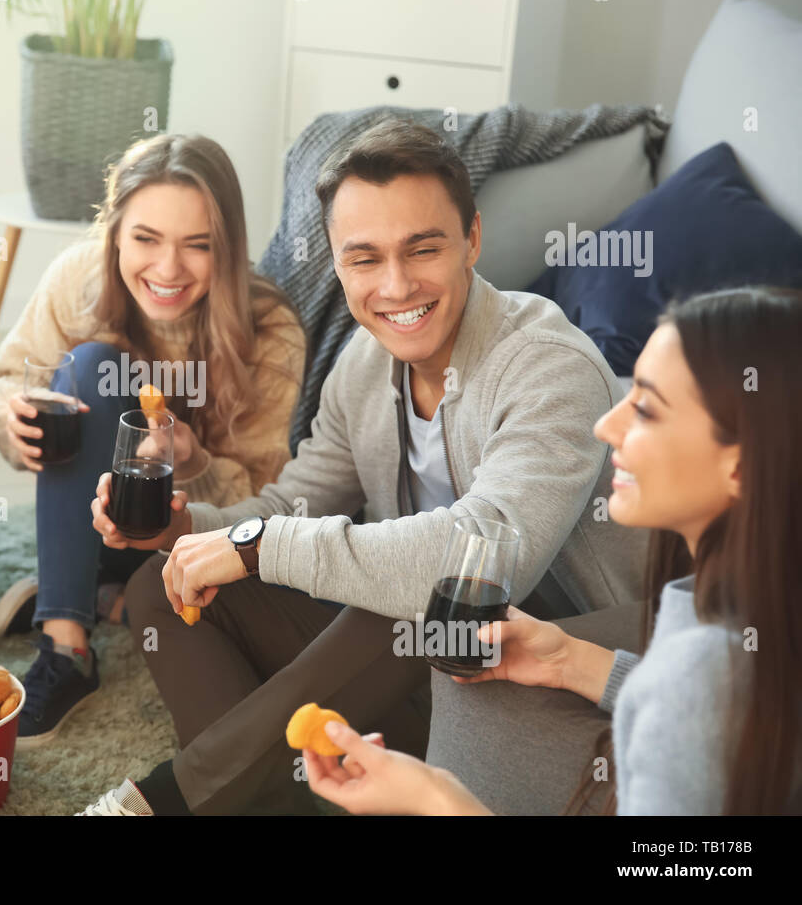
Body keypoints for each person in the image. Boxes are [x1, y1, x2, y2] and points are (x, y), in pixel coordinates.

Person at [80, 118, 648, 815]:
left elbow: (486, 571)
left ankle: (165, 801)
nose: (397, 285)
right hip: (424, 684)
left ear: (472, 239)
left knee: (425, 595)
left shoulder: (547, 365)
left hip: (555, 685)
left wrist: (258, 547)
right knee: (161, 583)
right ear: (338, 262)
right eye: (365, 258)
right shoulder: (362, 363)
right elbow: (298, 505)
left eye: (422, 249)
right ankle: (262, 797)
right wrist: (189, 527)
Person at [305, 287, 802, 816]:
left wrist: (438, 800)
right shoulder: (742, 637)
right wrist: (571, 661)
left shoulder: (690, 674)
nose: (607, 427)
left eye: (648, 409)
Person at [0, 134, 305, 744]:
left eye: (196, 246)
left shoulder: (272, 328)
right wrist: (8, 422)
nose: (168, 269)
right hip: (87, 511)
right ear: (116, 232)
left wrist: (193, 460)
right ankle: (66, 645)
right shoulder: (79, 275)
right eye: (146, 239)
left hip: (191, 535)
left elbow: (268, 500)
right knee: (92, 366)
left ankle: (96, 591)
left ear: (226, 249)